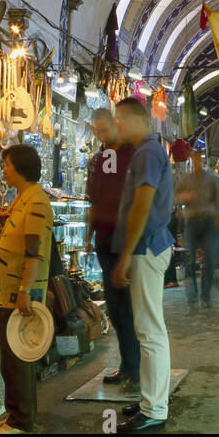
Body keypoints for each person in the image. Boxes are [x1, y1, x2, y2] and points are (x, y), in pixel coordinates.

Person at [110, 97, 173, 432]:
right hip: (148, 247)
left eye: (119, 121)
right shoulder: (148, 150)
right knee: (148, 329)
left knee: (149, 331)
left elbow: (141, 206)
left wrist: (125, 255)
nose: (117, 127)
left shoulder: (147, 152)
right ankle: (152, 398)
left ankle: (155, 410)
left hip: (146, 248)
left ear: (134, 119)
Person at [0, 143, 53, 433]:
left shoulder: (36, 201)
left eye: (7, 165)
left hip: (19, 294)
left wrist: (26, 291)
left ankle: (22, 422)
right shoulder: (24, 198)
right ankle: (18, 416)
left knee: (18, 359)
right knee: (12, 358)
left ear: (21, 168)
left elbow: (34, 251)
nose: (4, 170)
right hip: (9, 291)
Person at [84, 107, 139, 387]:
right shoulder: (100, 159)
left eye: (106, 129)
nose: (102, 135)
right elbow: (95, 198)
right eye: (98, 131)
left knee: (130, 306)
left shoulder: (133, 155)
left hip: (127, 239)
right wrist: (88, 233)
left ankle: (137, 367)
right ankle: (128, 365)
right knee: (116, 309)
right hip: (106, 240)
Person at [175, 145, 219, 312]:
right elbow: (175, 197)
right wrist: (183, 198)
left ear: (203, 159)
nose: (197, 160)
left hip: (208, 222)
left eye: (199, 157)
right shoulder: (185, 179)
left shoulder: (212, 179)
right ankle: (192, 300)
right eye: (195, 157)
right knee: (190, 262)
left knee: (209, 261)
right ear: (191, 159)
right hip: (191, 222)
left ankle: (205, 297)